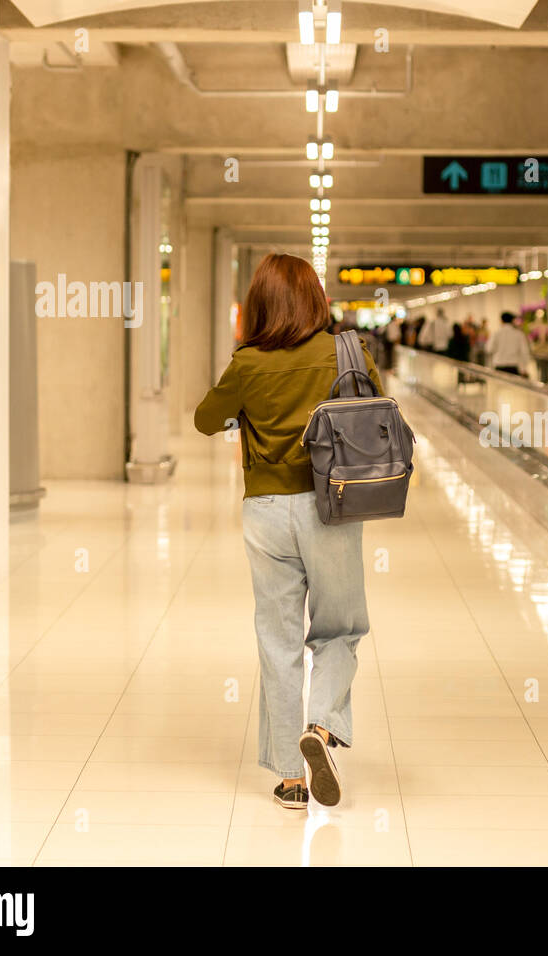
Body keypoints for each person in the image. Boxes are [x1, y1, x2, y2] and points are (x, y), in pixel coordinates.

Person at [194, 252, 377, 810]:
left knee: (277, 640)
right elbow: (372, 406)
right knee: (339, 629)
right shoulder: (345, 349)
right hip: (331, 505)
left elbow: (207, 419)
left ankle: (290, 778)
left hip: (266, 510)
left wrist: (245, 408)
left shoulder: (247, 362)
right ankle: (320, 728)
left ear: (260, 305)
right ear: (316, 299)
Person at [488, 311, 533, 376]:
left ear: (501, 320)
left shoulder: (496, 333)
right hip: (514, 367)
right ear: (512, 321)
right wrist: (524, 368)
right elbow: (525, 352)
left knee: (500, 386)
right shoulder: (519, 334)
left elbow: (489, 349)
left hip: (499, 366)